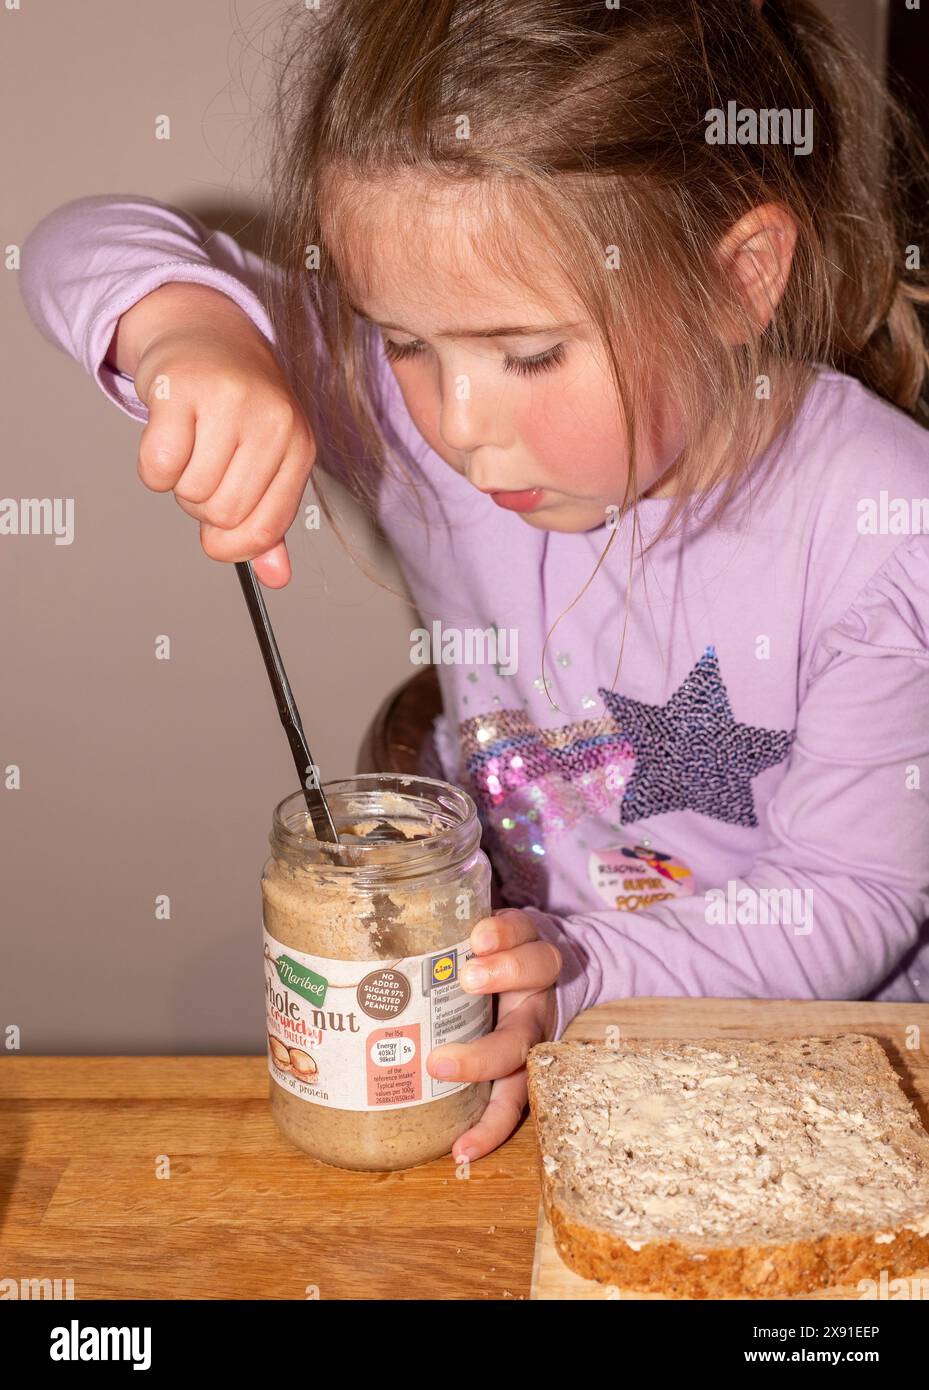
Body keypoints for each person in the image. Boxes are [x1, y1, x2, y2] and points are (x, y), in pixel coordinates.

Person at [20, 0, 929, 1162]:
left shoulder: (881, 525)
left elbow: (850, 898)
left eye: (529, 355)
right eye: (400, 339)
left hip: (807, 1073)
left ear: (737, 280)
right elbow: (74, 241)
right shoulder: (409, 415)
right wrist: (192, 337)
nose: (454, 426)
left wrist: (582, 975)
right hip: (517, 1021)